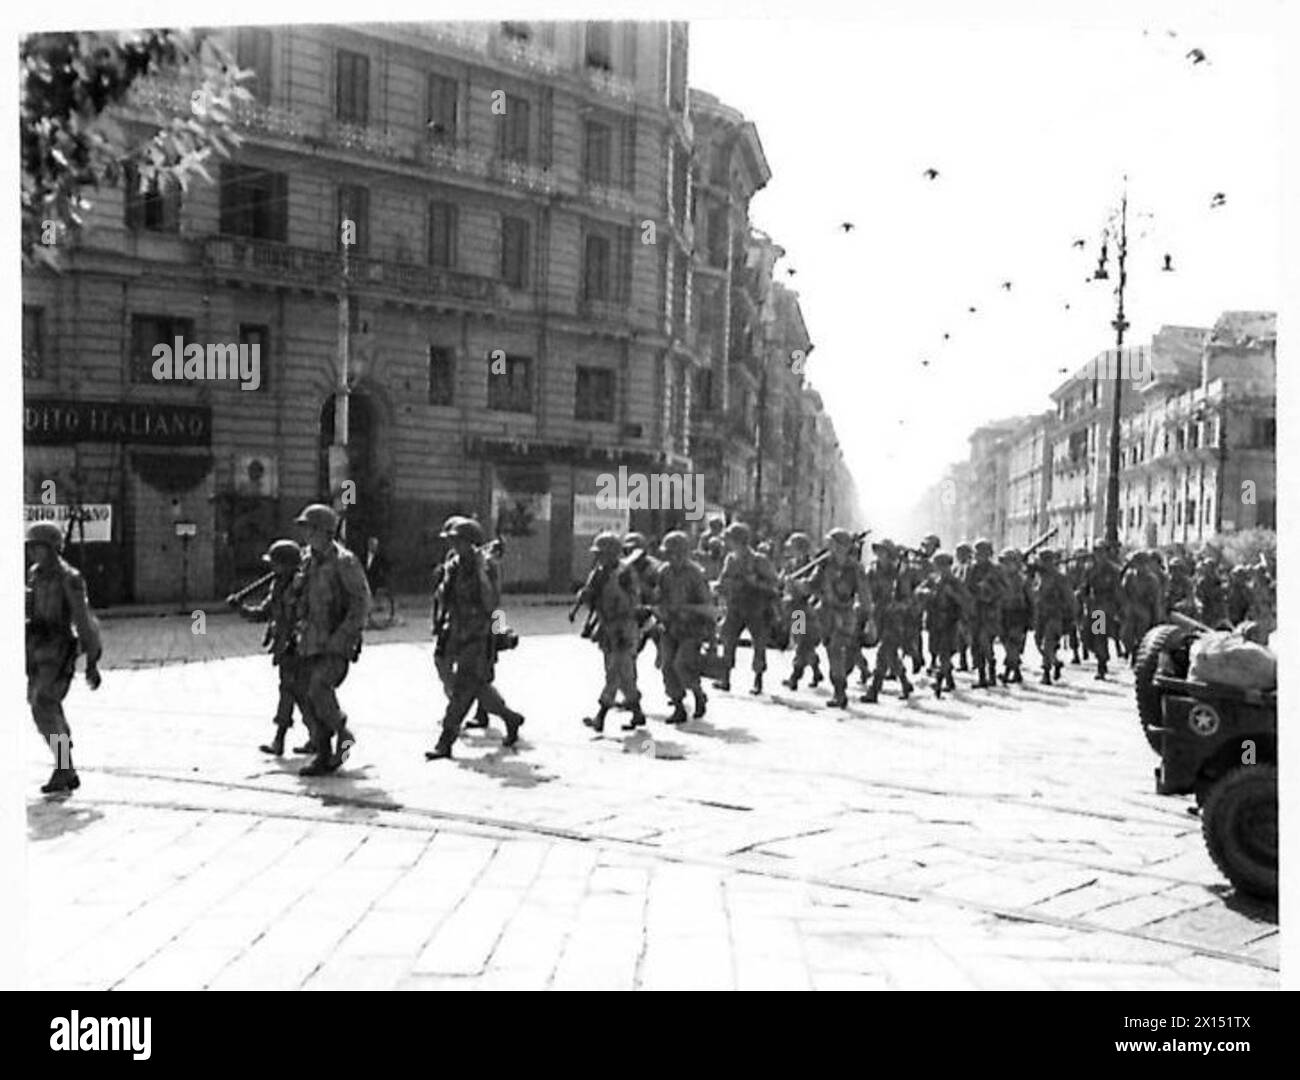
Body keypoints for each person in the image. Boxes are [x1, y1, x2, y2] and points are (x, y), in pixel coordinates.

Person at [430, 517, 524, 748]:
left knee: (467, 685)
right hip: (455, 629)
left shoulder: (486, 566)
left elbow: (494, 603)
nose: (453, 546)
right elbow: (443, 598)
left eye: (457, 541)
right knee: (450, 668)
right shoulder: (454, 564)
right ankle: (510, 718)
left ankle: (445, 740)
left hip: (477, 633)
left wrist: (499, 631)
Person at [291, 503, 370, 776]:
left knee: (318, 688)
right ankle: (323, 755)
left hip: (335, 641)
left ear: (325, 531)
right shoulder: (307, 560)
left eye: (310, 528)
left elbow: (360, 603)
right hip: (310, 640)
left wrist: (345, 637)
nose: (305, 534)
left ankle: (343, 732)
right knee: (310, 698)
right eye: (303, 528)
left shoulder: (344, 561)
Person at [25, 521, 102, 794]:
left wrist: (92, 660)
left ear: (53, 548)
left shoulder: (70, 577)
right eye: (31, 547)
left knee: (43, 704)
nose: (34, 553)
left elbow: (83, 620)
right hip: (36, 650)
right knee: (45, 708)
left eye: (39, 547)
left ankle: (64, 766)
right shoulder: (34, 575)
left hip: (57, 651)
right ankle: (65, 765)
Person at [228, 539, 317, 757]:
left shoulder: (302, 588)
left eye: (276, 565)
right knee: (295, 693)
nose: (272, 569)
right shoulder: (277, 586)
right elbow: (264, 612)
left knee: (296, 692)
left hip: (300, 647)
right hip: (284, 647)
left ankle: (290, 738)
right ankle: (313, 736)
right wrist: (242, 608)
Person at [576, 531, 646, 733]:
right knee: (621, 674)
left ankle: (601, 716)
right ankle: (637, 713)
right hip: (607, 628)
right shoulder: (599, 573)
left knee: (615, 672)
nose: (598, 557)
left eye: (602, 553)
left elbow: (632, 602)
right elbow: (593, 601)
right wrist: (586, 596)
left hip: (624, 627)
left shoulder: (624, 573)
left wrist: (614, 592)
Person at [654, 531, 714, 724]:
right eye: (669, 554)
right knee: (667, 666)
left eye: (675, 553)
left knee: (682, 664)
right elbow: (659, 596)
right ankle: (678, 704)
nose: (672, 558)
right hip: (670, 626)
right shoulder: (665, 572)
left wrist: (711, 637)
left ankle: (697, 694)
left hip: (692, 628)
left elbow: (707, 605)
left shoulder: (695, 574)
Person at [714, 522, 779, 695]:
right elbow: (723, 580)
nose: (728, 542)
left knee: (759, 644)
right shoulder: (731, 559)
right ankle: (725, 678)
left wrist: (755, 582)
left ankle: (758, 679)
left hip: (756, 608)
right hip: (735, 606)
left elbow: (774, 584)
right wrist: (722, 586)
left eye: (730, 539)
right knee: (728, 641)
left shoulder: (759, 560)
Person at [808, 528, 870, 708]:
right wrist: (795, 585)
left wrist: (868, 618)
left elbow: (864, 594)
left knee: (835, 647)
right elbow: (811, 584)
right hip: (810, 610)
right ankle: (813, 670)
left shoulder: (854, 568)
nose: (830, 547)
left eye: (833, 544)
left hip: (843, 613)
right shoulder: (822, 563)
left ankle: (837, 687)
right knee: (806, 641)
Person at [861, 539, 914, 703]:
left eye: (883, 552)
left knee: (884, 653)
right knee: (890, 655)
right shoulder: (871, 571)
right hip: (878, 616)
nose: (879, 555)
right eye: (877, 551)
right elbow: (864, 591)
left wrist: (897, 605)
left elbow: (908, 600)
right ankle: (905, 683)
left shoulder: (899, 574)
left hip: (894, 619)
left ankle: (874, 690)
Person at [914, 551, 970, 698]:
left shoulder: (955, 582)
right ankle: (949, 680)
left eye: (944, 565)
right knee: (936, 650)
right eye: (938, 565)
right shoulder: (933, 580)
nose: (941, 569)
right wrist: (927, 593)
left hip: (950, 621)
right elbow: (918, 591)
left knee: (945, 653)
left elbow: (966, 601)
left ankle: (938, 682)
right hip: (934, 620)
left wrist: (952, 594)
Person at [780, 532, 823, 689]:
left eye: (793, 547)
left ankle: (795, 677)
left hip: (804, 609)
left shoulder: (812, 566)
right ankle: (816, 671)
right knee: (805, 644)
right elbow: (782, 582)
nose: (791, 550)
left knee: (802, 643)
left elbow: (813, 588)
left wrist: (797, 584)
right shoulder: (791, 565)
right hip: (793, 608)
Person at [963, 538, 1004, 689]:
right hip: (975, 612)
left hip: (990, 612)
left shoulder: (996, 570)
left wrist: (989, 591)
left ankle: (991, 674)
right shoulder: (971, 569)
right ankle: (981, 676)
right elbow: (966, 588)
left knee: (985, 642)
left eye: (984, 553)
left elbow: (1002, 590)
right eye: (978, 553)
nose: (980, 556)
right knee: (975, 645)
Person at [1080, 539, 1123, 680]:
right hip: (1093, 605)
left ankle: (1101, 664)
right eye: (1097, 551)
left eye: (1103, 551)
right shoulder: (1090, 568)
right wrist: (1082, 599)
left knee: (1099, 636)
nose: (1100, 555)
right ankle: (1102, 657)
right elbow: (1084, 587)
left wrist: (1118, 608)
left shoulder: (1113, 570)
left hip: (1105, 606)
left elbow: (1118, 591)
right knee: (1086, 636)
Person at [1030, 549, 1075, 685]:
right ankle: (1055, 661)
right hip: (1042, 614)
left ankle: (1101, 664)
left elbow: (1070, 598)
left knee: (1099, 635)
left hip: (1057, 615)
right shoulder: (1039, 576)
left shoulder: (1060, 578)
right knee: (1039, 642)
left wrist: (1072, 616)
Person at [1121, 551, 1166, 663]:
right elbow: (1122, 592)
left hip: (1144, 611)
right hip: (1127, 609)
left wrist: (1156, 619)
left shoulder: (1152, 580)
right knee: (1125, 636)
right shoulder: (1130, 576)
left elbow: (1156, 601)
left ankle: (1101, 663)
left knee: (1143, 637)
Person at [996, 548, 1032, 685]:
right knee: (1007, 643)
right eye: (1004, 562)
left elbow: (1031, 600)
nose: (1006, 565)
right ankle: (1016, 672)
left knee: (1012, 644)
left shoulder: (1021, 580)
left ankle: (1101, 663)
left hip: (1018, 615)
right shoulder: (1000, 579)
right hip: (1005, 615)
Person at [952, 542, 974, 671]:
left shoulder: (970, 568)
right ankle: (963, 661)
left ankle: (981, 666)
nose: (960, 555)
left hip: (968, 606)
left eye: (963, 553)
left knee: (970, 637)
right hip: (958, 606)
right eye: (959, 553)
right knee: (959, 638)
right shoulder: (956, 568)